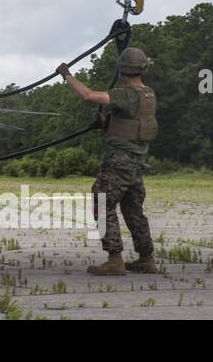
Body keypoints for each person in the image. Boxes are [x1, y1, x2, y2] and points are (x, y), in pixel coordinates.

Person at [57, 47, 158, 276]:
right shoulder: (148, 94)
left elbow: (89, 96)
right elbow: (132, 123)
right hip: (137, 161)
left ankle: (114, 259)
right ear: (143, 67)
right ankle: (146, 258)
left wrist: (67, 75)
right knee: (133, 208)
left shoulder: (127, 93)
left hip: (120, 160)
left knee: (101, 202)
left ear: (122, 68)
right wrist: (106, 124)